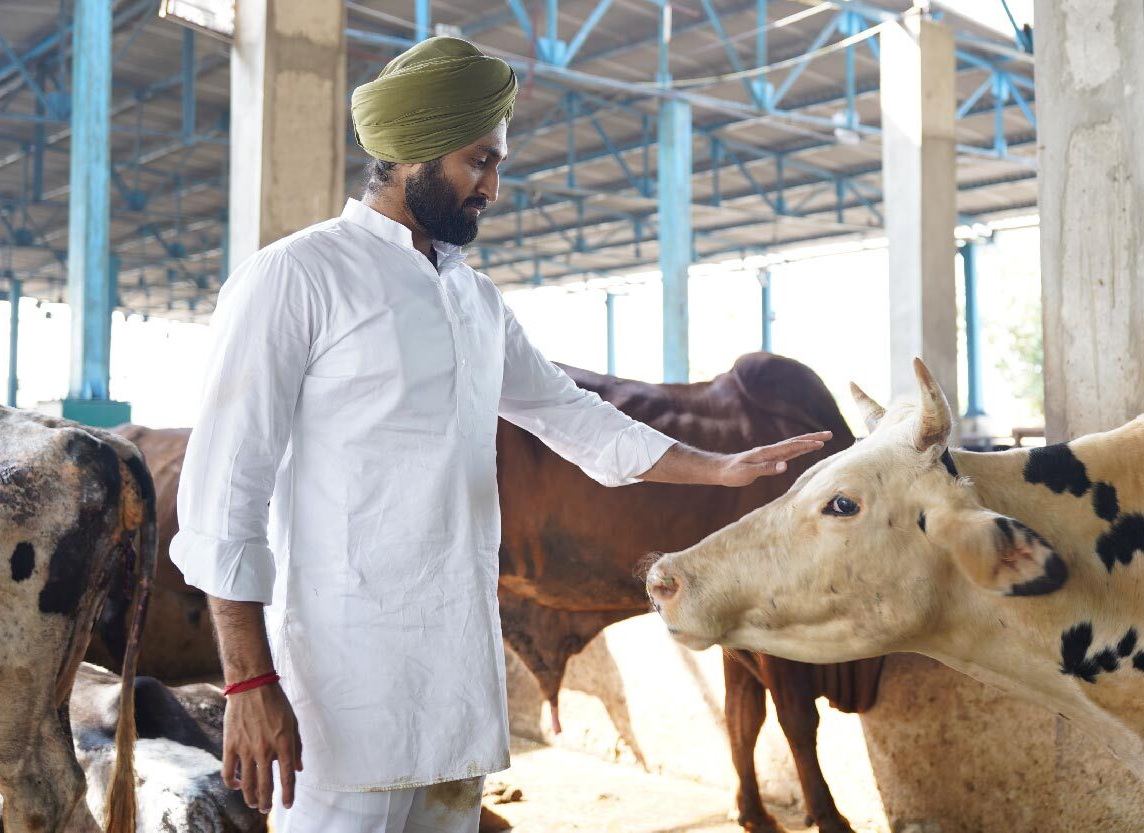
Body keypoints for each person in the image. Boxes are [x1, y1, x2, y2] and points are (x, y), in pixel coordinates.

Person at [169, 36, 831, 833]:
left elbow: (573, 416)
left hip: (457, 691)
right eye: (478, 162)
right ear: (415, 152)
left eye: (497, 162)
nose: (492, 186)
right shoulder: (297, 276)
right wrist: (248, 683)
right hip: (342, 700)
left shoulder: (474, 301)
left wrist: (719, 469)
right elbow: (225, 495)